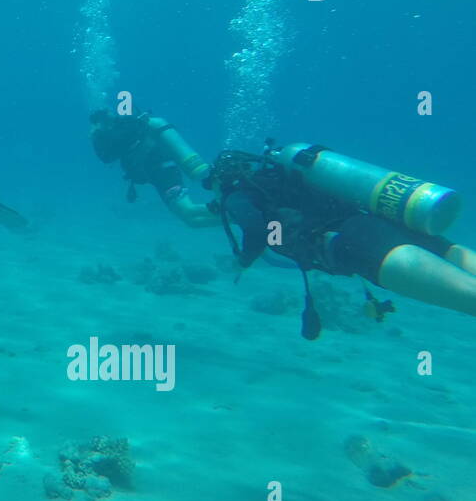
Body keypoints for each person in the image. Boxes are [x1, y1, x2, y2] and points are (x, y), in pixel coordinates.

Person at [207, 141, 476, 338]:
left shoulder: (237, 196)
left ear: (221, 179)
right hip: (377, 219)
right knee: (450, 252)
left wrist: (243, 261)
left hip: (349, 241)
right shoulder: (286, 175)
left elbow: (255, 231)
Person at [89, 109, 216, 227]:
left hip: (163, 172)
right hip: (157, 173)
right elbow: (110, 156)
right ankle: (231, 214)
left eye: (98, 122)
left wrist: (96, 137)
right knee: (190, 220)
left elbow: (107, 156)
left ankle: (231, 209)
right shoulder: (126, 127)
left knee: (187, 211)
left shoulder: (123, 129)